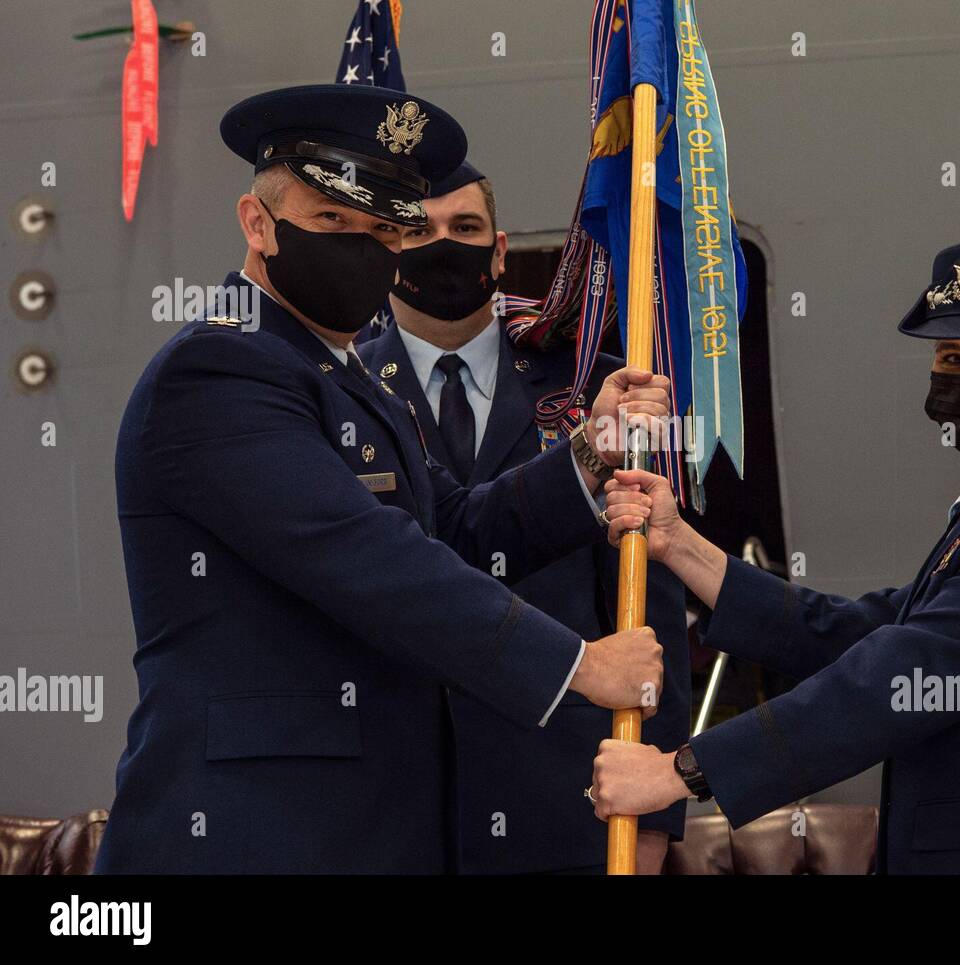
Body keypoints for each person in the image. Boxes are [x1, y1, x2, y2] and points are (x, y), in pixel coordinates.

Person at [97, 84, 668, 874]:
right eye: (332, 220)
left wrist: (588, 455)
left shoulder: (350, 381)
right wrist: (582, 664)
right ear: (258, 224)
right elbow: (375, 559)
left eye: (381, 227)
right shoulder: (219, 369)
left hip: (372, 831)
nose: (363, 247)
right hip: (251, 835)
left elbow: (458, 530)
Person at [592, 241, 960, 874]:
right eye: (952, 357)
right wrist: (680, 544)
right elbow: (861, 633)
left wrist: (680, 771)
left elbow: (901, 677)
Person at [359, 162, 689, 874]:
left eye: (465, 228)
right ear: (384, 247)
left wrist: (657, 814)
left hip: (563, 796)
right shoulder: (345, 390)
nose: (444, 245)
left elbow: (649, 603)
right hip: (395, 799)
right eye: (418, 230)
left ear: (500, 251)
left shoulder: (592, 389)